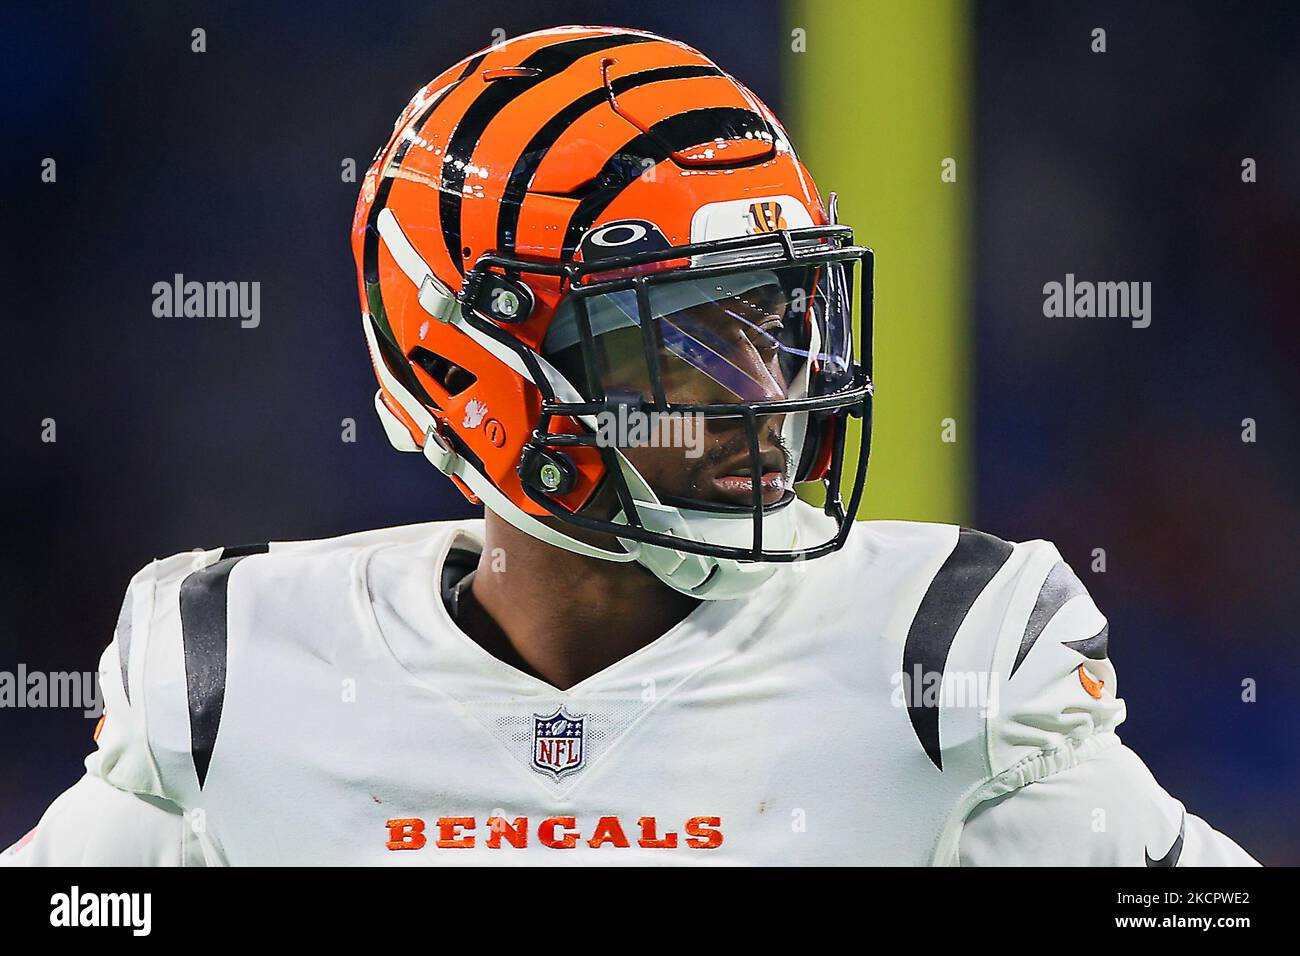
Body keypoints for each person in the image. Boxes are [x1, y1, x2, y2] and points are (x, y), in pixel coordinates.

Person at [2, 26, 1256, 865]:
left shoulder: (943, 667)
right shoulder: (232, 682)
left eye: (774, 318)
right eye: (678, 340)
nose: (768, 395)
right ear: (477, 365)